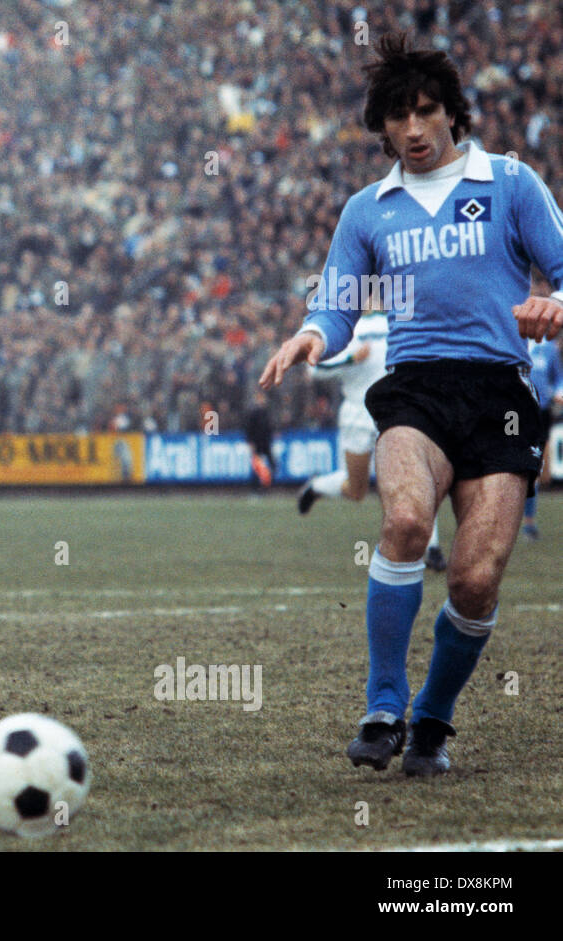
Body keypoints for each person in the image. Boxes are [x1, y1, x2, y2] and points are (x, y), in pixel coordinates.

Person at [260, 35, 563, 776]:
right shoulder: (369, 209)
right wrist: (309, 336)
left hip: (500, 394)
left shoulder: (510, 183)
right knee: (400, 520)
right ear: (382, 127)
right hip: (415, 388)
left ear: (452, 113)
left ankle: (432, 718)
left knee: (475, 576)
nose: (414, 129)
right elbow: (336, 303)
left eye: (426, 111)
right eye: (398, 118)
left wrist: (555, 305)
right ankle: (383, 703)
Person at [298, 310, 446, 571]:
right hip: (357, 413)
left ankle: (432, 548)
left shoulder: (400, 320)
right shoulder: (340, 328)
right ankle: (317, 486)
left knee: (414, 480)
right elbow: (315, 370)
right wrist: (352, 359)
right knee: (357, 490)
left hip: (396, 411)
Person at [520, 337, 563, 540]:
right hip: (514, 411)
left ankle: (529, 522)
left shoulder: (549, 349)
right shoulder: (515, 338)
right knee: (511, 460)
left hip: (541, 412)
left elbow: (558, 378)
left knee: (533, 466)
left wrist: (557, 392)